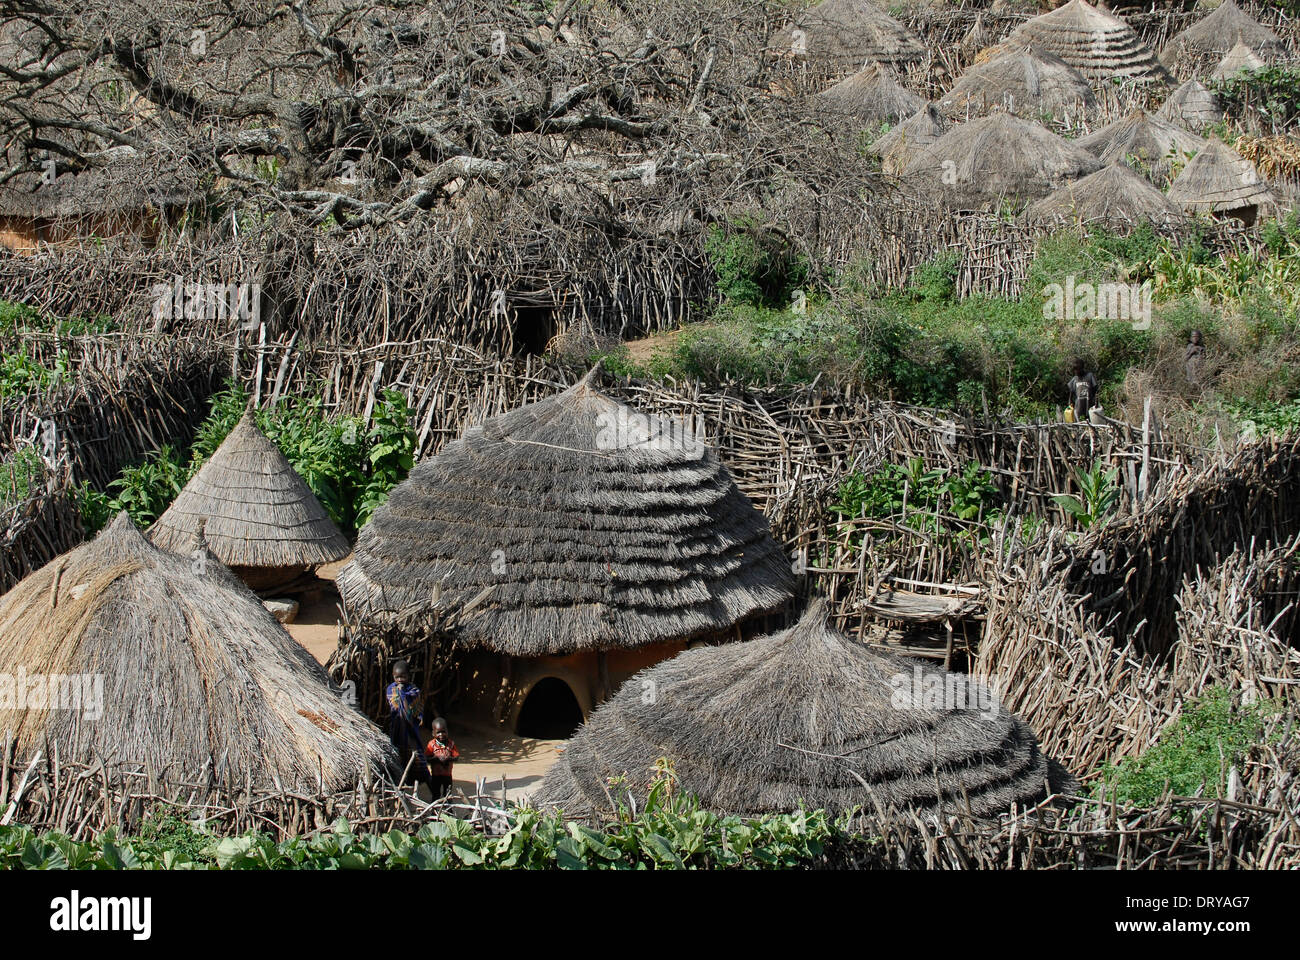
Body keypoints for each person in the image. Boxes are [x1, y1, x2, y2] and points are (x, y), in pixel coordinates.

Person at [386, 661, 430, 788]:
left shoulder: (413, 690)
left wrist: (403, 695)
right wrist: (400, 694)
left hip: (410, 730)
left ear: (408, 675)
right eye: (397, 677)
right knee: (398, 755)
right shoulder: (391, 689)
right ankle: (401, 781)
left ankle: (426, 783)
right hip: (397, 728)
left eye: (403, 676)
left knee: (417, 756)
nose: (400, 680)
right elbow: (394, 705)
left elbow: (412, 711)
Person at [424, 717, 460, 800]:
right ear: (433, 733)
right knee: (436, 794)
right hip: (436, 775)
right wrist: (436, 758)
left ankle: (448, 811)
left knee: (447, 794)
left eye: (443, 732)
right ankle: (435, 810)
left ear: (447, 731)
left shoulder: (451, 744)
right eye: (438, 732)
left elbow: (456, 757)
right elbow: (427, 758)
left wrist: (448, 758)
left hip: (447, 775)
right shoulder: (431, 745)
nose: (441, 735)